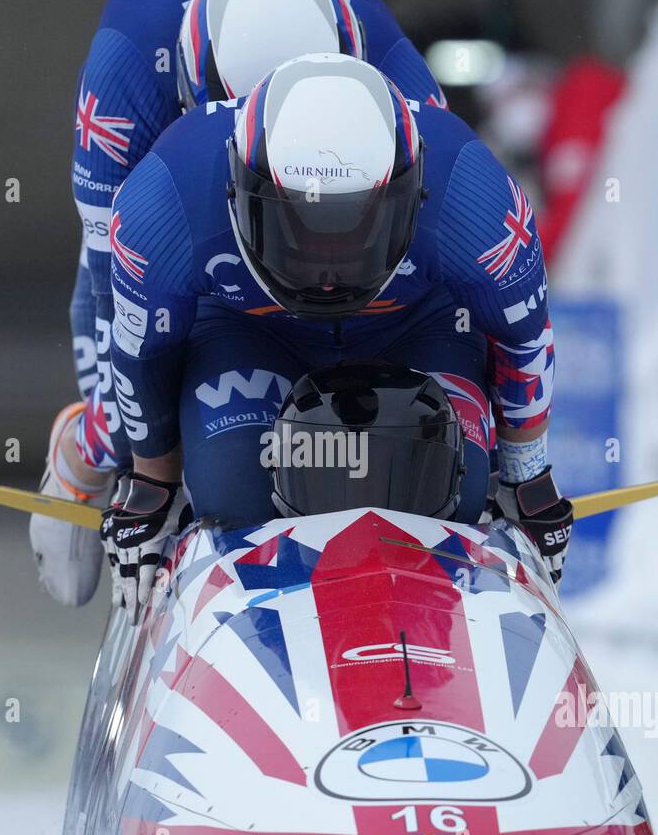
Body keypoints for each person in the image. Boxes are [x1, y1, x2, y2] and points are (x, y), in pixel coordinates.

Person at [31, 0, 447, 605]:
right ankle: (81, 450)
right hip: (185, 204)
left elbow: (438, 236)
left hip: (307, 201)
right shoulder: (129, 68)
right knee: (147, 394)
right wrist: (140, 467)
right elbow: (118, 289)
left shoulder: (385, 59)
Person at [79, 53, 570, 622]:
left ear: (414, 193)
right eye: (301, 227)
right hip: (249, 328)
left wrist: (525, 475)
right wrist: (153, 484)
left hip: (414, 325)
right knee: (235, 498)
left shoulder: (477, 203)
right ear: (238, 186)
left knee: (450, 491)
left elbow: (521, 338)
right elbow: (144, 353)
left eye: (358, 225)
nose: (329, 267)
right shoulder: (163, 202)